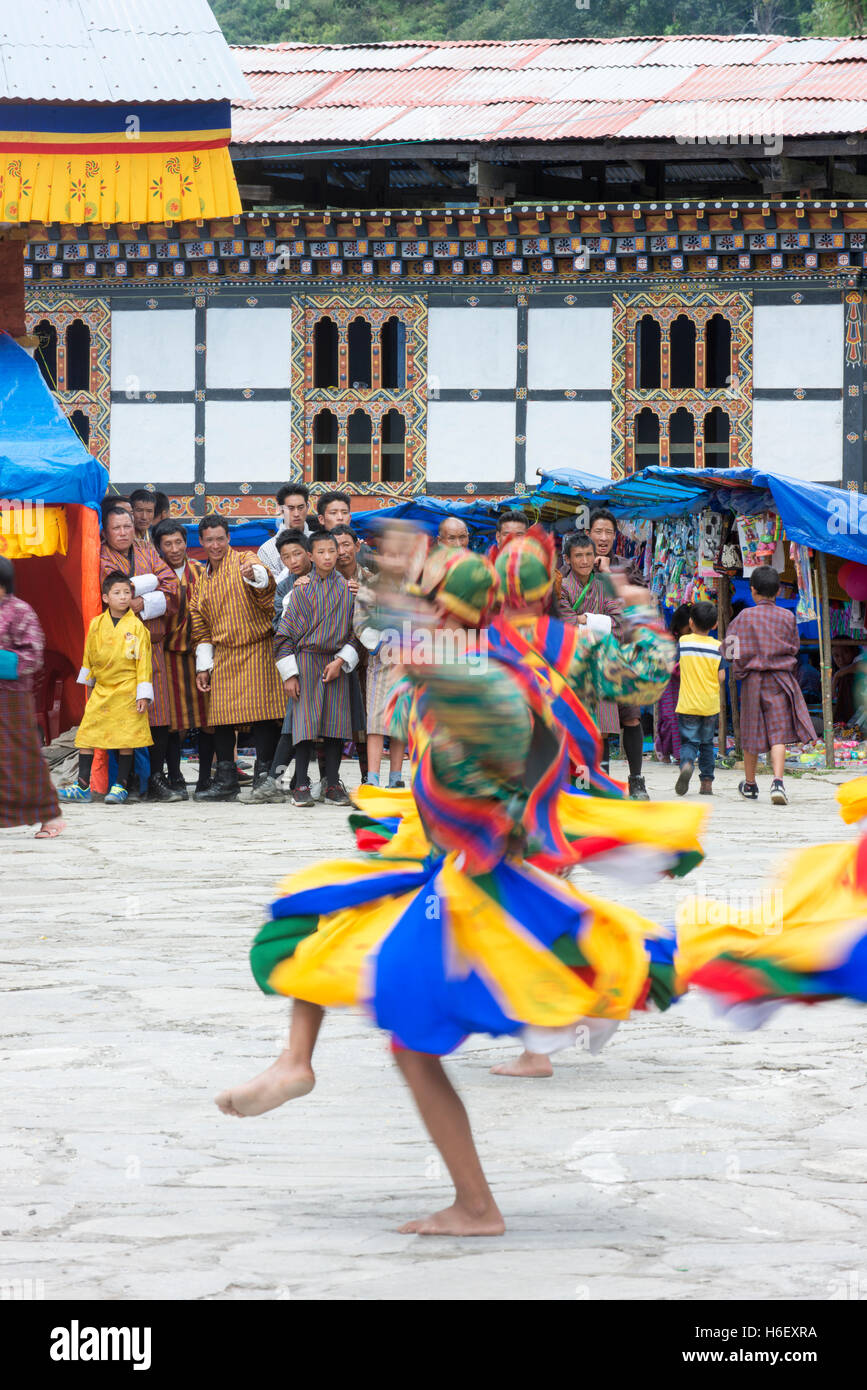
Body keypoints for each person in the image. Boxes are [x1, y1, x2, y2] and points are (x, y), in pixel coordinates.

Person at [214, 547, 680, 1234]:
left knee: (411, 1033)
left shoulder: (485, 671)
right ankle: (296, 1061)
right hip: (456, 857)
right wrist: (636, 605)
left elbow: (472, 725)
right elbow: (640, 673)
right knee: (323, 910)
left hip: (477, 874)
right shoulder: (535, 647)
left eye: (430, 602)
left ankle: (475, 1200)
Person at [190, 515, 286, 801]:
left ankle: (263, 778)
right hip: (225, 655)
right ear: (202, 542)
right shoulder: (202, 581)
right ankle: (226, 779)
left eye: (221, 538)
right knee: (221, 718)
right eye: (209, 540)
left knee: (263, 717)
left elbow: (265, 582)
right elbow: (199, 626)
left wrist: (256, 574)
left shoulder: (245, 558)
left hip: (257, 648)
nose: (216, 545)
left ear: (228, 538)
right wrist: (203, 666)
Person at [100, 503, 179, 802]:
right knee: (123, 715)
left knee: (157, 714)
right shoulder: (100, 556)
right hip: (117, 652)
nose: (123, 533)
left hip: (151, 644)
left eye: (127, 526)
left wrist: (142, 602)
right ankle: (126, 780)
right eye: (116, 528)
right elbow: (110, 590)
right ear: (106, 532)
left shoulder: (148, 551)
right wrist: (149, 584)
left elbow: (170, 583)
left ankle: (154, 779)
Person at [274, 531, 359, 807]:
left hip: (335, 662)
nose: (326, 557)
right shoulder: (301, 591)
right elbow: (284, 636)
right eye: (320, 552)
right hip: (306, 661)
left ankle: (332, 783)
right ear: (311, 556)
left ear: (338, 554)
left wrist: (341, 661)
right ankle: (300, 783)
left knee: (335, 724)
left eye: (331, 552)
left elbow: (356, 634)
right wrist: (290, 675)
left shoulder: (348, 590)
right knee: (304, 724)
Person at [58, 571, 153, 806]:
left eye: (127, 593)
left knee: (125, 739)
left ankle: (120, 785)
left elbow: (144, 662)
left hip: (128, 688)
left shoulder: (138, 627)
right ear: (106, 597)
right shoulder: (96, 624)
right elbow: (88, 657)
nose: (123, 597)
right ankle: (82, 786)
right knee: (87, 736)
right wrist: (89, 688)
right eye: (117, 593)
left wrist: (143, 694)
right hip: (102, 687)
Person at [726, 565, 814, 805]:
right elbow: (795, 647)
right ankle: (777, 782)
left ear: (753, 591)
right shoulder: (788, 616)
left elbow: (730, 648)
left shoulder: (743, 617)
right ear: (777, 591)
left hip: (753, 680)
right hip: (780, 679)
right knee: (778, 733)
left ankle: (751, 785)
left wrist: (734, 659)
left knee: (750, 731)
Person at [0, 556, 65, 838]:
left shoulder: (19, 611)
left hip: (12, 698)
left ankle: (50, 816)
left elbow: (34, 656)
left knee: (24, 758)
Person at [588, 507, 649, 799]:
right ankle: (602, 781)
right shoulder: (576, 564)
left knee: (631, 718)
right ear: (588, 534)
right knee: (599, 722)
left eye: (608, 532)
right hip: (592, 657)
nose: (603, 537)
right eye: (598, 531)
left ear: (615, 536)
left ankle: (637, 779)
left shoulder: (626, 567)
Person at [153, 519, 214, 799]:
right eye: (168, 544)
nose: (175, 549)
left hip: (200, 652)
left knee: (207, 717)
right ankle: (174, 775)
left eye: (179, 542)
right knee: (171, 720)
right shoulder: (155, 575)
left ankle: (204, 778)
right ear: (160, 546)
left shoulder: (201, 571)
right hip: (168, 656)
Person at [353, 521, 413, 787]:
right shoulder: (369, 587)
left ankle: (397, 776)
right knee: (376, 722)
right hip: (379, 663)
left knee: (399, 720)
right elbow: (359, 622)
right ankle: (373, 777)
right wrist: (376, 643)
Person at [556, 531, 620, 772]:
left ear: (596, 557)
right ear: (568, 559)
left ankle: (601, 778)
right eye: (578, 556)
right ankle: (577, 781)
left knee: (602, 728)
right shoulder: (560, 586)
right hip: (571, 667)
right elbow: (567, 625)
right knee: (573, 726)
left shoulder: (605, 585)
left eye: (588, 555)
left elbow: (619, 623)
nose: (584, 561)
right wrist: (598, 623)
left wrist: (585, 619)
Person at [674, 600, 725, 798]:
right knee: (706, 744)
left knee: (688, 742)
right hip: (709, 705)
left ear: (691, 622)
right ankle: (706, 784)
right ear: (714, 625)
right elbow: (721, 677)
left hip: (687, 704)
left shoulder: (683, 643)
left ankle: (686, 765)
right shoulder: (718, 647)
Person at [655, 604, 692, 764]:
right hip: (668, 686)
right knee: (669, 718)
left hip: (685, 685)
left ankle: (679, 755)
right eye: (688, 628)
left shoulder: (691, 641)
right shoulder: (668, 640)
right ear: (680, 624)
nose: (690, 631)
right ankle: (663, 748)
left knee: (683, 719)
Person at [258, 483, 312, 577]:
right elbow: (271, 588)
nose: (296, 514)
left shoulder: (319, 541)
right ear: (281, 509)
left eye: (300, 507)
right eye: (290, 508)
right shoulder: (266, 550)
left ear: (307, 507)